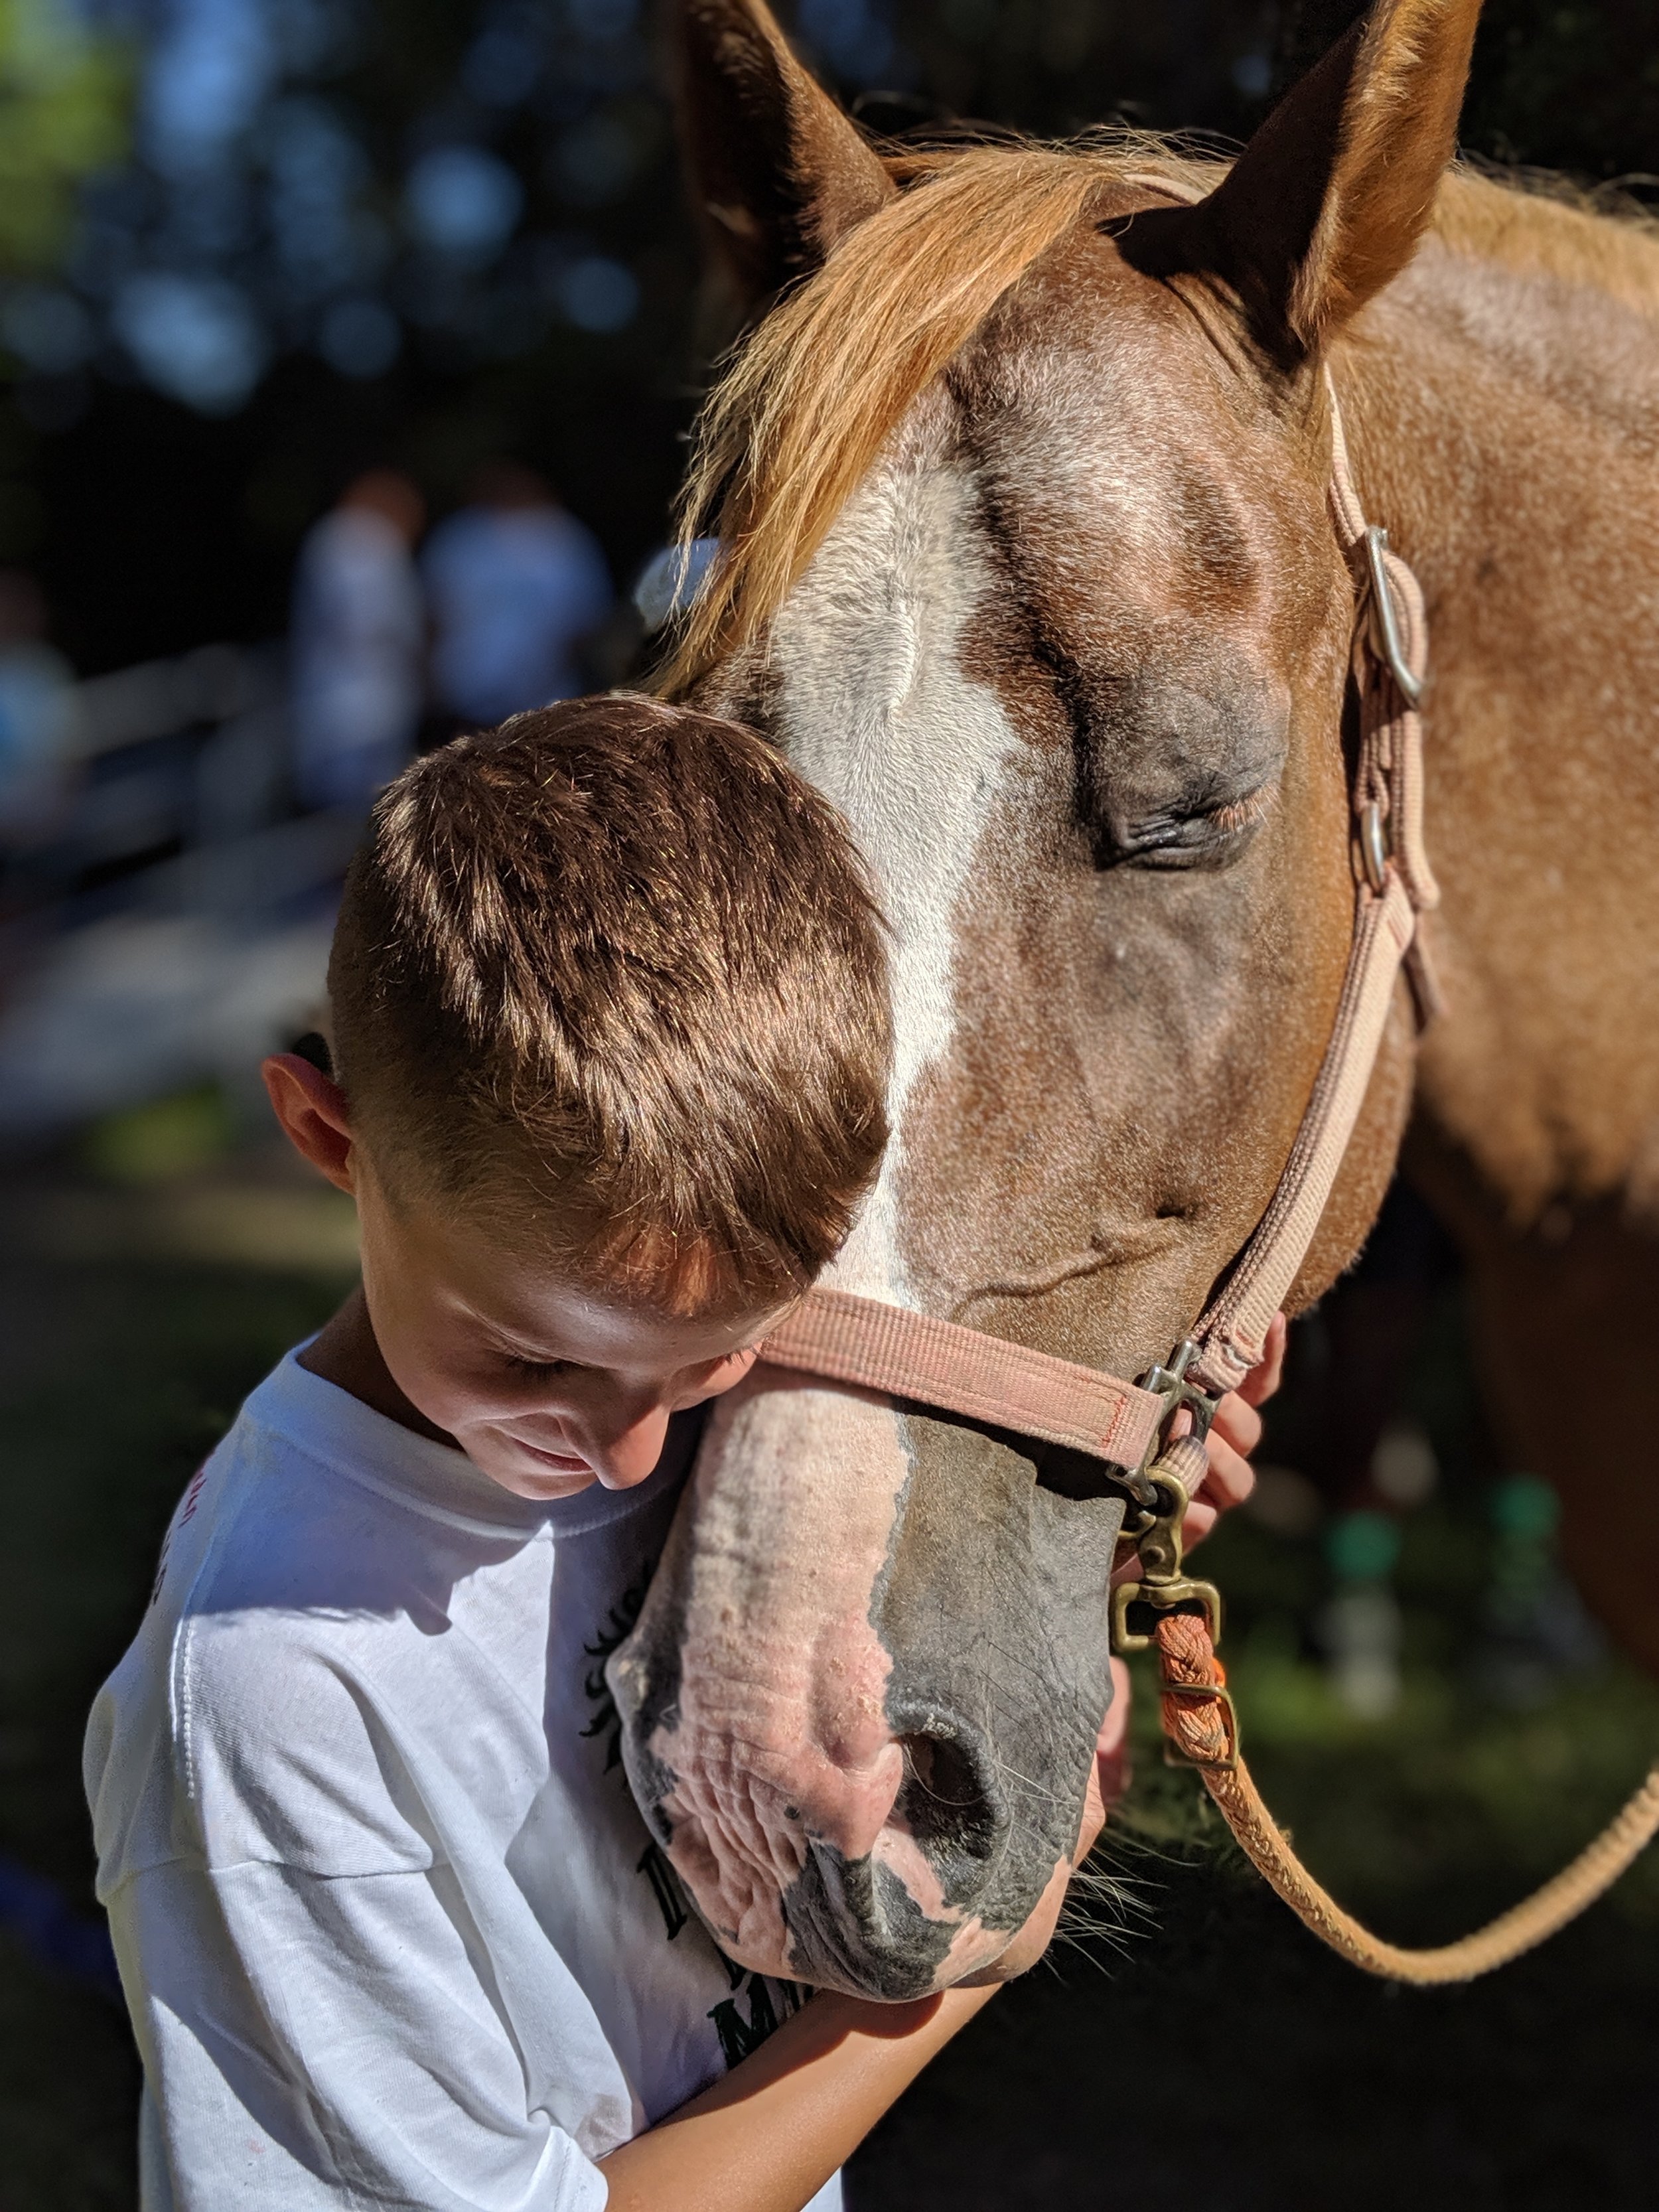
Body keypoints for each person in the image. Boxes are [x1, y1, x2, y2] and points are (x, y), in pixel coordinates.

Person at [84, 696, 1274, 2211]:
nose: (631, 1449)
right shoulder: (279, 1690)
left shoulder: (671, 1402)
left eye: (715, 1355)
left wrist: (1118, 1512)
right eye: (535, 1357)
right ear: (329, 1139)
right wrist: (960, 1963)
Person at [421, 462, 612, 727]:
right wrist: (433, 686)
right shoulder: (459, 536)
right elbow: (433, 616)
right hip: (463, 698)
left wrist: (540, 677)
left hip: (545, 704)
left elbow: (584, 624)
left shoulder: (565, 538)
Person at [289, 470, 426, 812]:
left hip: (356, 701)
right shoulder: (357, 538)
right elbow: (366, 622)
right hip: (352, 703)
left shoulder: (342, 538)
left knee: (358, 816)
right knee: (348, 819)